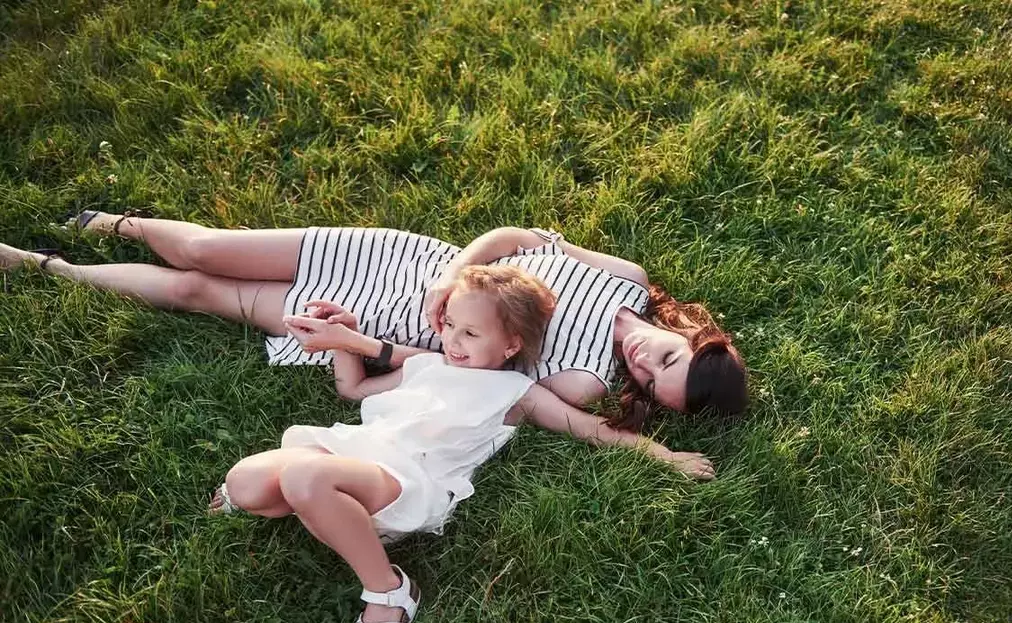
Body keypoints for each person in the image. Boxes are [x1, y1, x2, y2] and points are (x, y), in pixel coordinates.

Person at [206, 265, 712, 623]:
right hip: (354, 451)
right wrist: (346, 336)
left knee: (301, 476)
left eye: (470, 334)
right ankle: (328, 510)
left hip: (406, 480)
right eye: (449, 326)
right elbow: (353, 389)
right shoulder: (425, 364)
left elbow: (595, 429)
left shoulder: (517, 392)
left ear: (511, 345)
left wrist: (666, 456)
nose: (452, 341)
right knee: (245, 485)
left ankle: (390, 593)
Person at [0, 211, 748, 472]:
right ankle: (116, 222)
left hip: (380, 325)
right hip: (403, 261)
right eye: (670, 358)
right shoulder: (627, 278)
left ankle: (48, 266)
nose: (645, 366)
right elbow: (519, 236)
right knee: (205, 250)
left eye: (653, 388)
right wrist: (454, 273)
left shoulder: (585, 378)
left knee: (200, 293)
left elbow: (473, 377)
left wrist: (352, 342)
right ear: (692, 334)